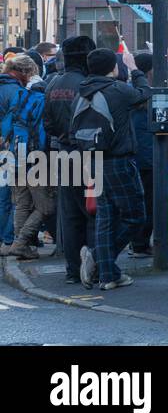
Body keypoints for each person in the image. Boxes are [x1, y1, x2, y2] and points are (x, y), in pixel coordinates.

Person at [78, 48, 149, 291]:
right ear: (114, 67)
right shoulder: (116, 89)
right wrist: (136, 69)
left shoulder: (83, 91)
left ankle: (109, 275)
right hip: (118, 159)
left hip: (93, 158)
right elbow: (144, 94)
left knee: (106, 218)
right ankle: (99, 258)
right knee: (135, 216)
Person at [41, 36, 97, 285]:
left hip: (64, 153)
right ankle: (93, 265)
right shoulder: (88, 83)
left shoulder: (52, 83)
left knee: (71, 214)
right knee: (94, 211)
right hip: (89, 155)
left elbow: (48, 124)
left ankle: (73, 270)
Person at [0, 54, 49, 259]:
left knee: (17, 200)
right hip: (21, 152)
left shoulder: (11, 91)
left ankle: (11, 242)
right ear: (24, 72)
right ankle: (14, 241)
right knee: (38, 205)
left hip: (11, 150)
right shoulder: (20, 93)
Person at [126, 51, 155, 257]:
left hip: (133, 154)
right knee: (148, 203)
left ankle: (136, 242)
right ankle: (140, 244)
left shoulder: (127, 91)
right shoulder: (147, 93)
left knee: (135, 201)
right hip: (147, 155)